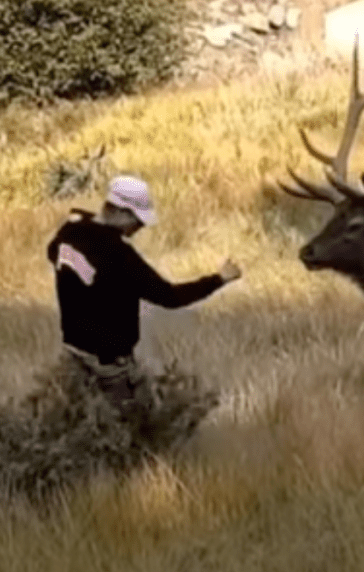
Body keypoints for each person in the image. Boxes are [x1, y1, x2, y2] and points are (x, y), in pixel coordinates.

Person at [45, 174, 241, 421]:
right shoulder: (119, 254)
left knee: (75, 419)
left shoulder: (69, 232)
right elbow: (170, 297)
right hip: (110, 366)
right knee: (130, 429)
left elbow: (53, 253)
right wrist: (219, 279)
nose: (139, 228)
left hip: (73, 353)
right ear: (121, 212)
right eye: (137, 221)